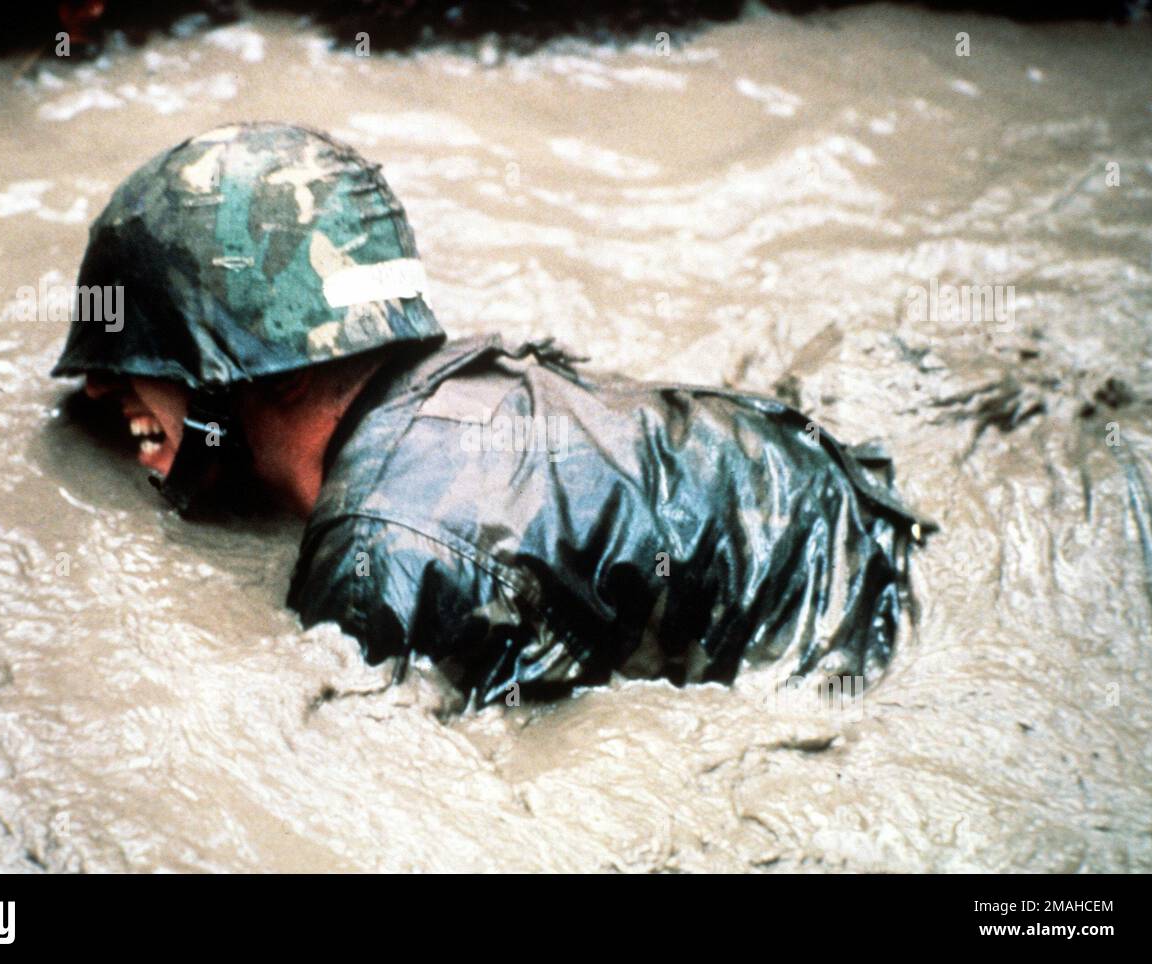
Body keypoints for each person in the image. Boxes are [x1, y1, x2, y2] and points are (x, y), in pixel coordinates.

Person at [54, 122, 930, 708]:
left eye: (136, 358)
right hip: (853, 509)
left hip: (859, 659)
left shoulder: (384, 552)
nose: (99, 390)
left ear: (261, 370)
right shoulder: (468, 388)